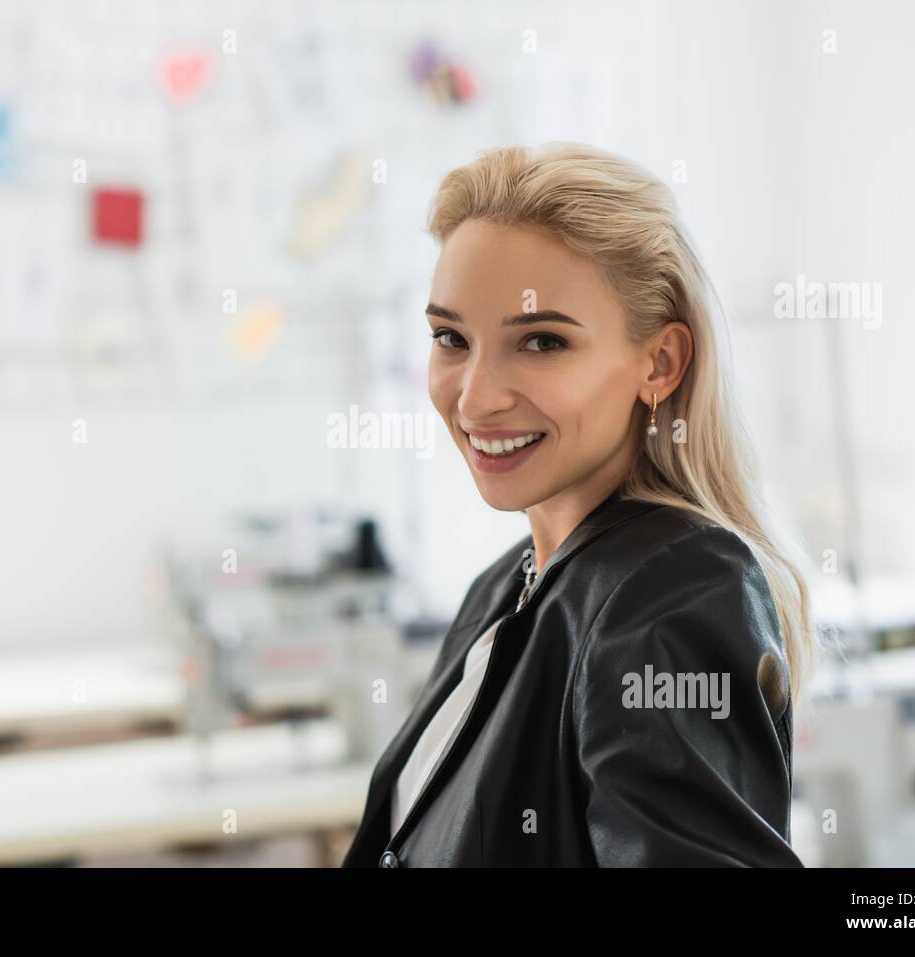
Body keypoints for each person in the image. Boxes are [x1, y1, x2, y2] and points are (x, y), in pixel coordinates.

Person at [342, 143, 814, 867]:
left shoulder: (674, 594)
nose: (474, 397)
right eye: (451, 338)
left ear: (659, 363)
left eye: (540, 341)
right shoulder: (508, 584)